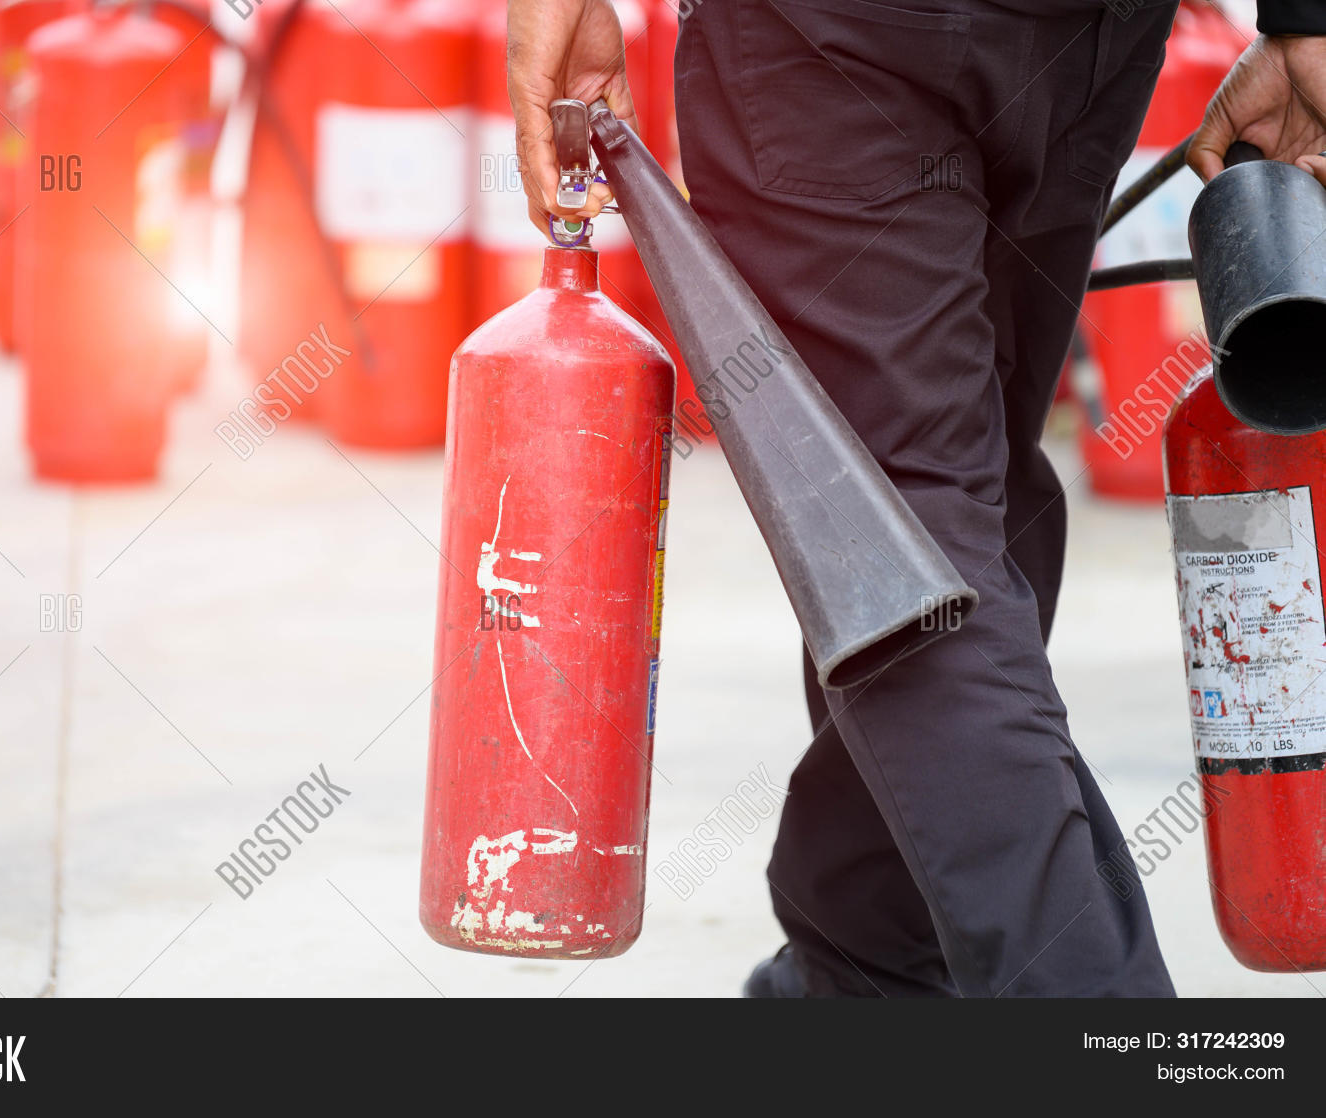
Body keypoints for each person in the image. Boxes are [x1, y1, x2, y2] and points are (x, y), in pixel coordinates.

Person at [506, 0, 1326, 997]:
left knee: (908, 559)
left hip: (838, 37)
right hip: (1083, 38)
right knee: (954, 501)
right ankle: (862, 973)